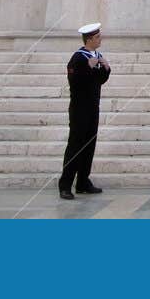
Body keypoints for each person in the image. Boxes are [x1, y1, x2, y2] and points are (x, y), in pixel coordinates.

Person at [58, 21, 110, 200]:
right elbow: (75, 81)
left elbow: (98, 81)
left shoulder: (96, 55)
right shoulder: (78, 58)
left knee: (89, 146)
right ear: (89, 40)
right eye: (97, 37)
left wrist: (106, 68)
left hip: (93, 108)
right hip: (79, 110)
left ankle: (82, 182)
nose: (100, 39)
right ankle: (65, 185)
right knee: (75, 147)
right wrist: (88, 67)